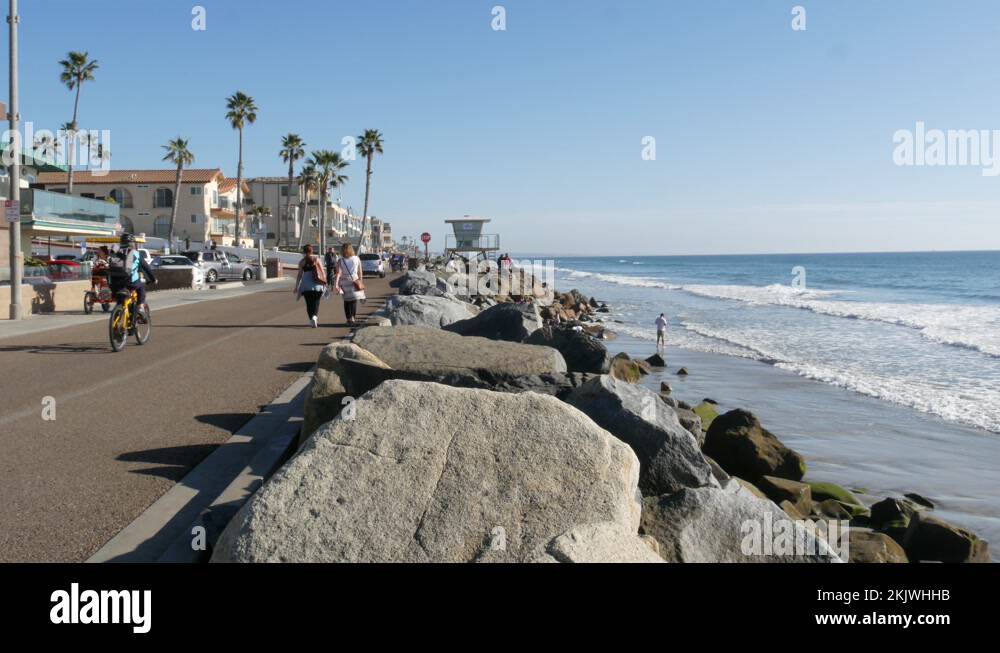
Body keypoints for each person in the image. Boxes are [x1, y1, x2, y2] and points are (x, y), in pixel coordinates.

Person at [118, 233, 156, 315]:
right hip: (130, 282)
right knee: (141, 286)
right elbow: (147, 268)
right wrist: (153, 279)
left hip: (116, 282)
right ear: (132, 243)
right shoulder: (136, 254)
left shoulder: (115, 252)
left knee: (120, 298)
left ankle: (117, 312)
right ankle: (140, 307)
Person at [334, 243, 365, 326]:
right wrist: (360, 282)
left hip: (344, 282)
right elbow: (360, 272)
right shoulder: (357, 259)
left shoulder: (341, 260)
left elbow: (338, 273)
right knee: (354, 301)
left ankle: (348, 319)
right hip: (355, 281)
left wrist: (336, 284)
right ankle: (353, 318)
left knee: (347, 302)